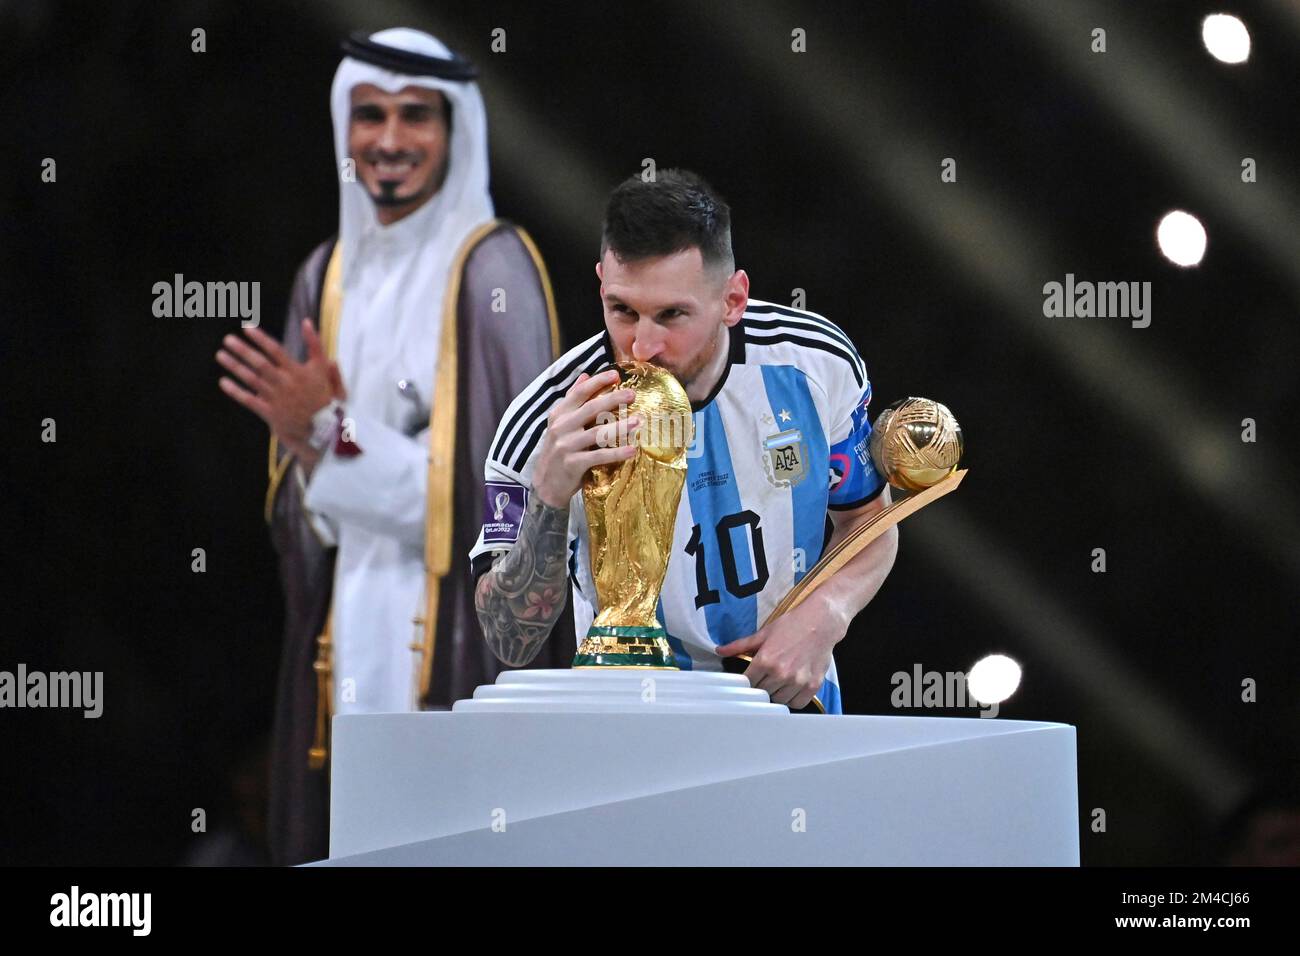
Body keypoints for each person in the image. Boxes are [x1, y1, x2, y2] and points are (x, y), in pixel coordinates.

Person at [215, 27, 573, 866]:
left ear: (456, 130)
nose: (388, 140)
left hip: (461, 642)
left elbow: (506, 512)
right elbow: (308, 523)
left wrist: (325, 435)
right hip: (349, 638)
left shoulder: (495, 272)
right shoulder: (324, 277)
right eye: (369, 114)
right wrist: (317, 447)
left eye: (416, 115)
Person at [470, 169, 897, 712]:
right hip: (629, 726)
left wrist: (827, 614)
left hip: (789, 709)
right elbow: (510, 639)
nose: (643, 345)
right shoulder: (541, 424)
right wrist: (549, 498)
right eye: (622, 310)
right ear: (601, 283)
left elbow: (868, 523)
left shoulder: (815, 365)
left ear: (732, 299)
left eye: (672, 315)